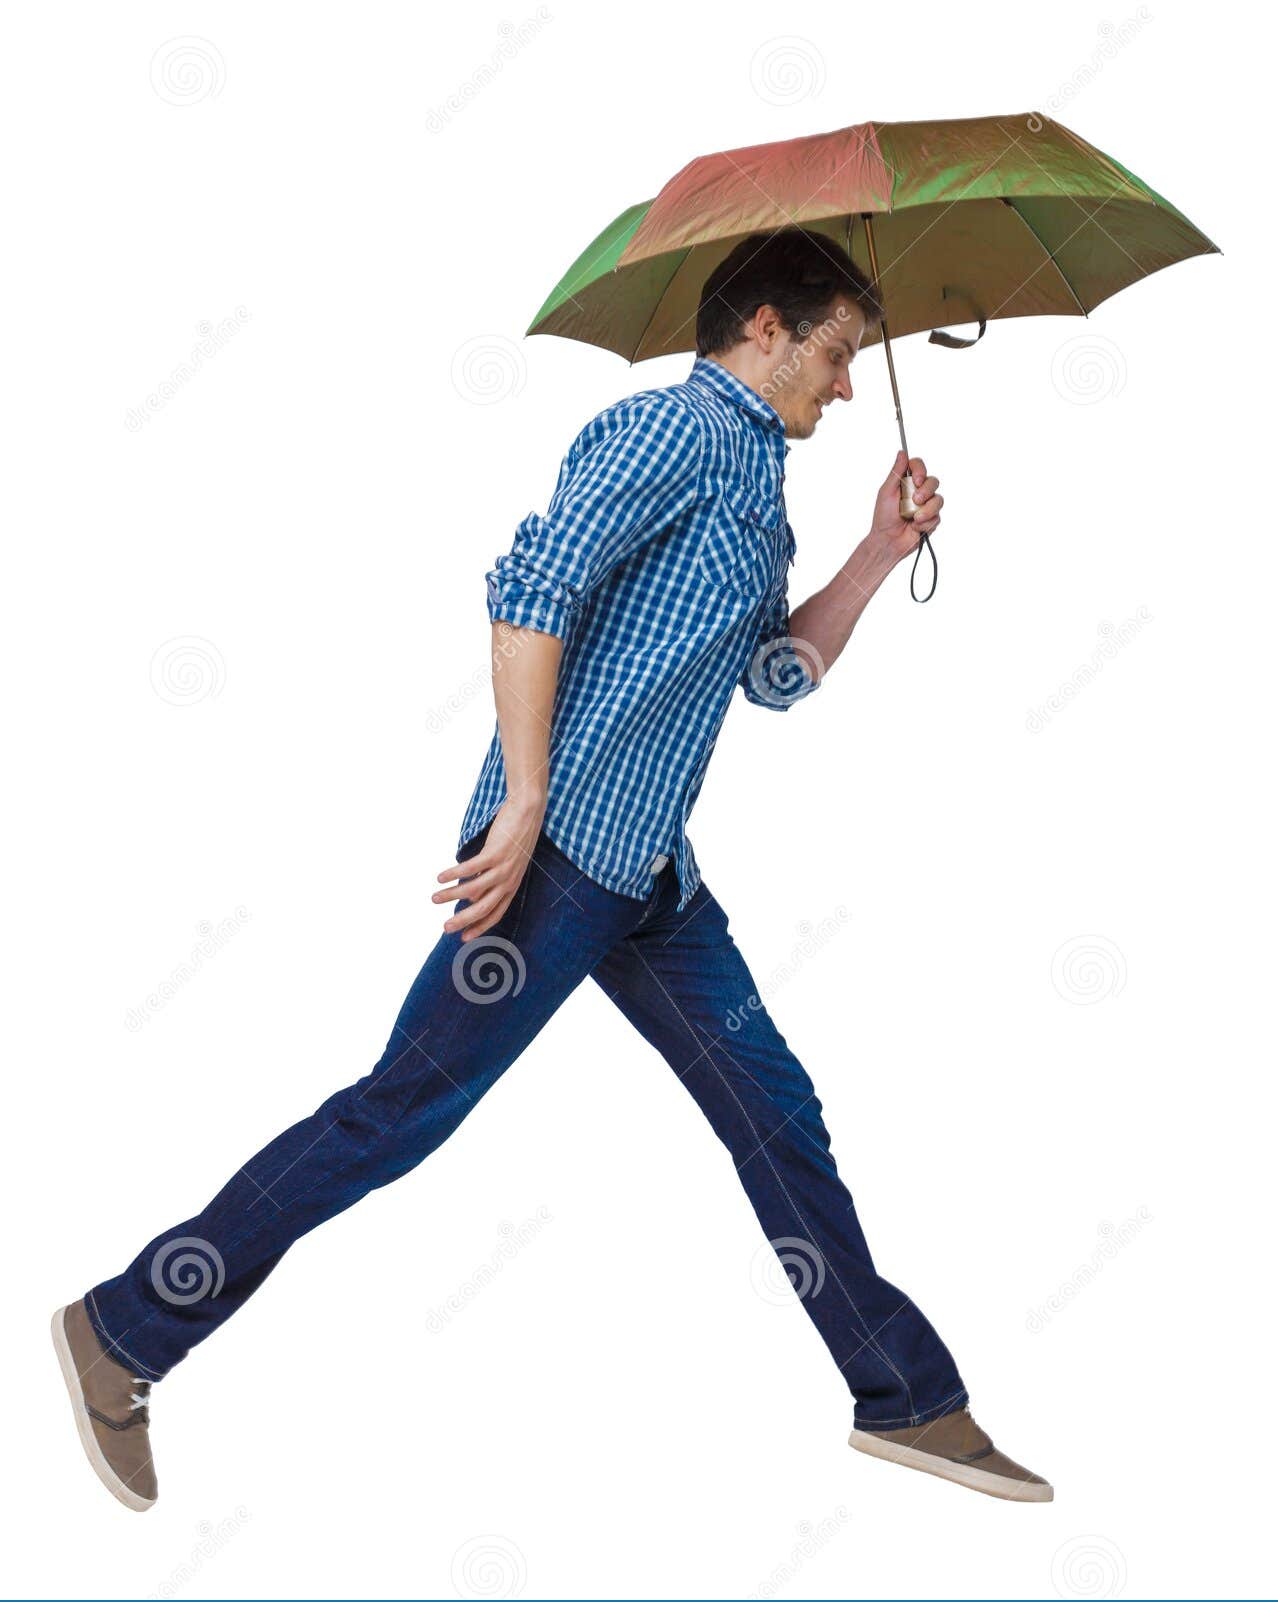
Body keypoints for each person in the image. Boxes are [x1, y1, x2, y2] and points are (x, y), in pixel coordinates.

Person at [53, 228, 1052, 1511]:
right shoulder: (669, 431)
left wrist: (873, 553)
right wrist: (521, 801)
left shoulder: (756, 473)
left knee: (776, 1115)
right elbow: (530, 590)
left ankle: (906, 1396)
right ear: (765, 328)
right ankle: (125, 1328)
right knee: (394, 1117)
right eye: (837, 353)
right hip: (559, 860)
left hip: (649, 880)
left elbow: (771, 677)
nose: (849, 386)